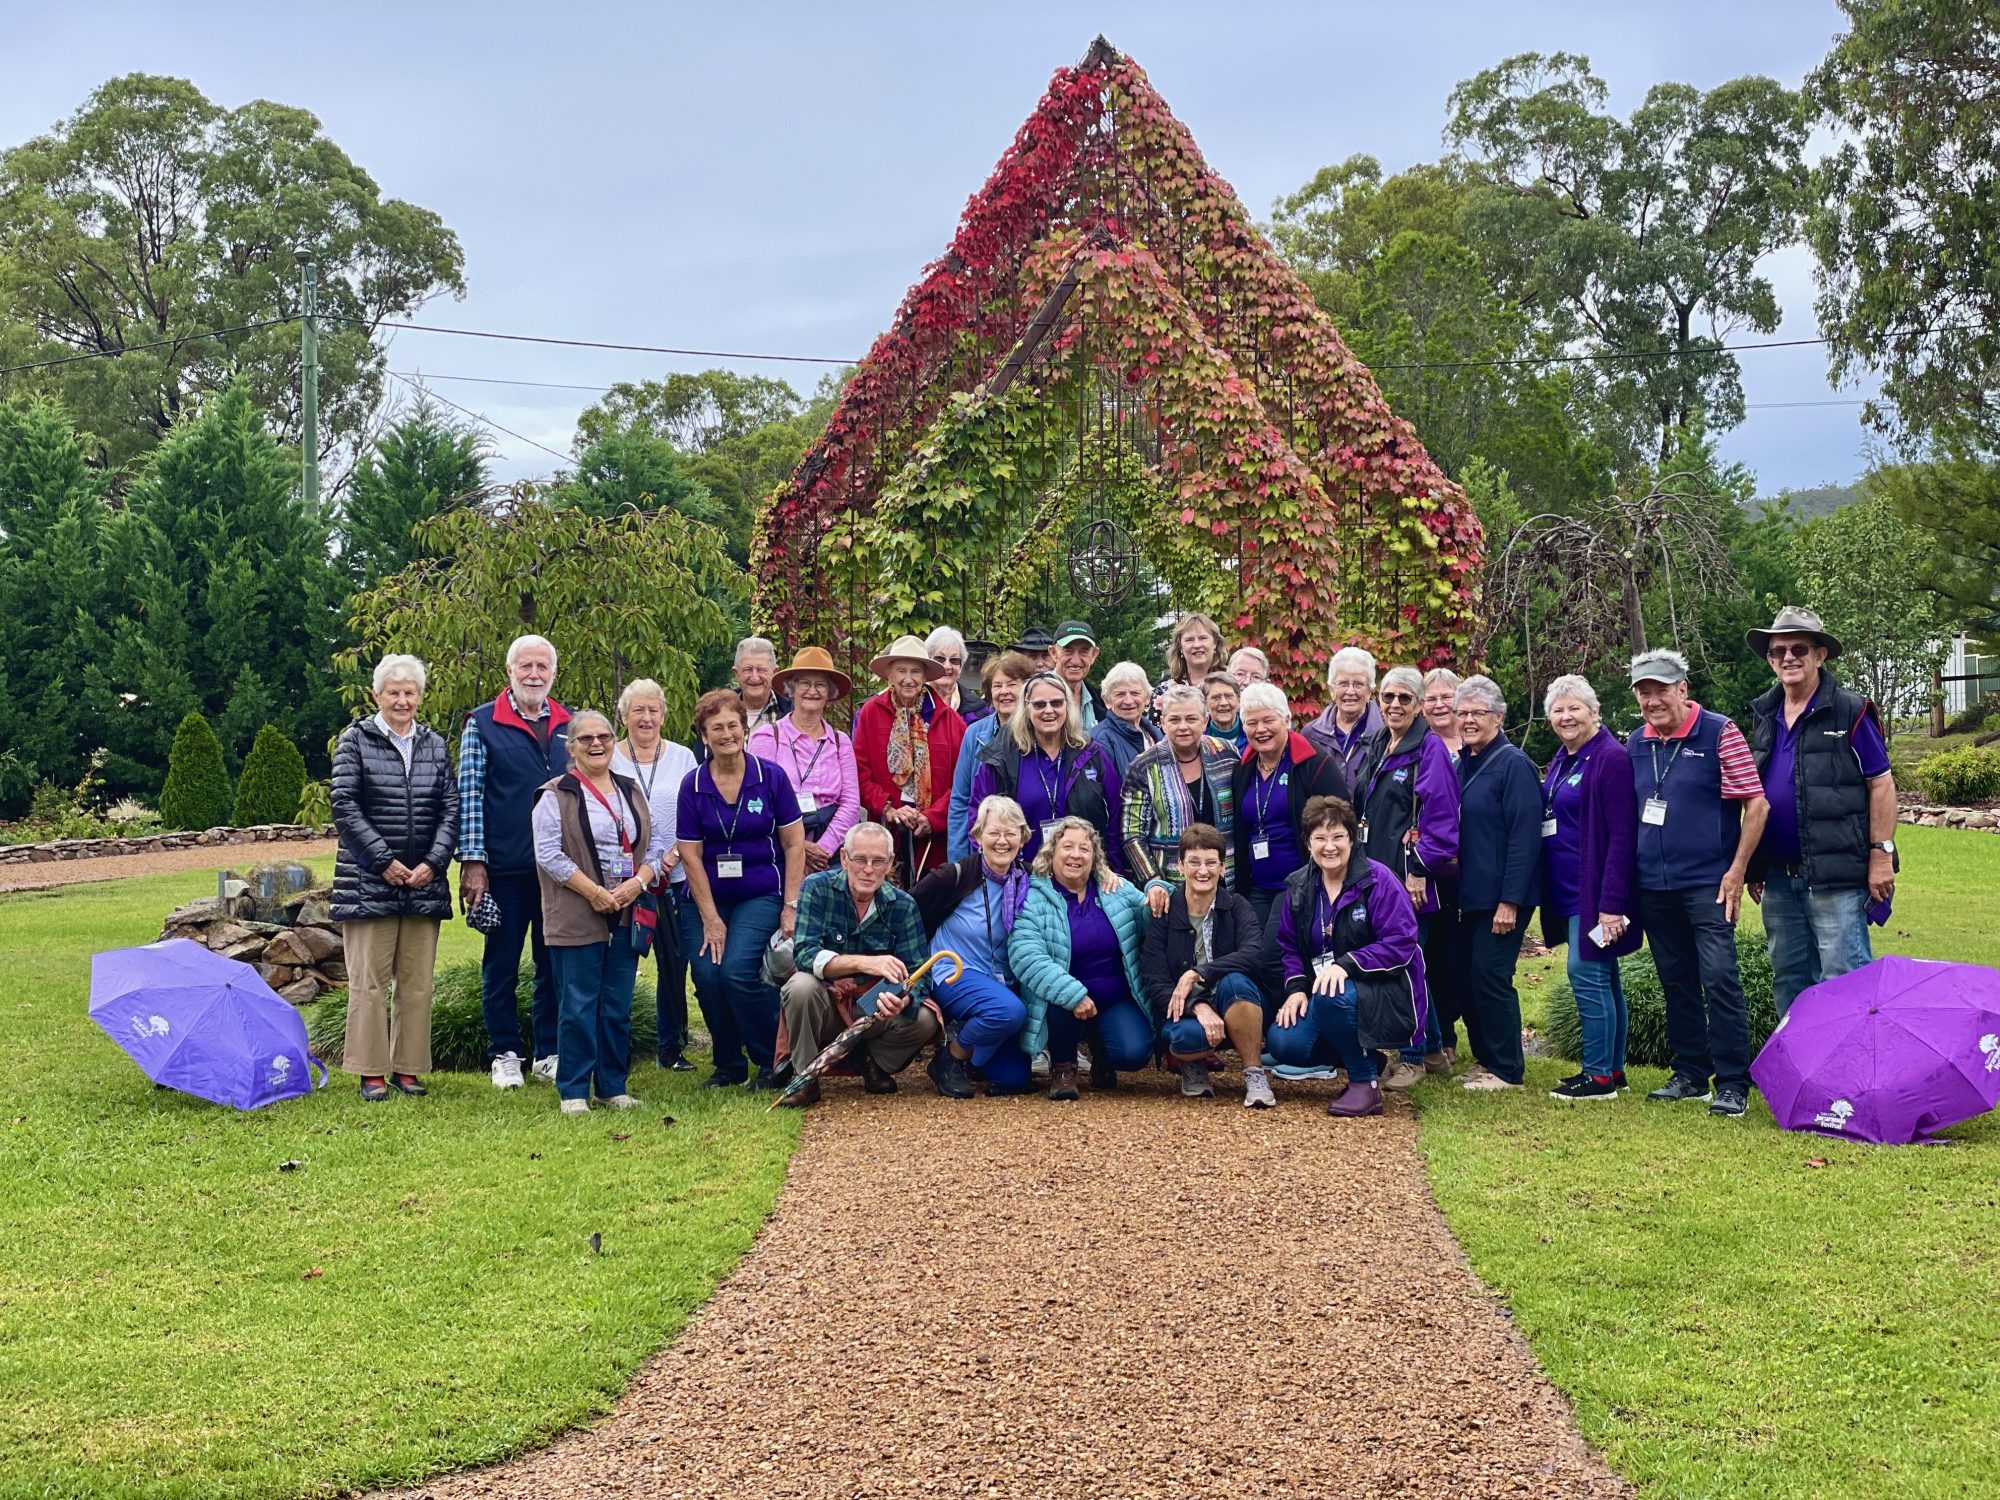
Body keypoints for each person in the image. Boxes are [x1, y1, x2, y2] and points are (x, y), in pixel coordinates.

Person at [1626, 648, 1769, 1118]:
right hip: (1654, 885)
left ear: (1683, 689)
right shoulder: (1635, 742)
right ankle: (1690, 1073)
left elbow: (1757, 804)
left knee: (1720, 978)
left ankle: (1732, 1082)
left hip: (1709, 883)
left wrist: (1737, 870)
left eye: (1660, 690)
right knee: (1675, 980)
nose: (1652, 701)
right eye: (1643, 693)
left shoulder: (1719, 732)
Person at [1743, 606, 1897, 1015]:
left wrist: (1881, 854)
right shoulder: (1765, 714)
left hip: (1837, 876)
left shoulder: (1850, 710)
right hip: (1779, 878)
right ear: (1770, 659)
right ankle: (1794, 1078)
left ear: (1820, 655)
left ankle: (1852, 1078)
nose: (1788, 657)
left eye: (1799, 648)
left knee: (1845, 981)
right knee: (1789, 981)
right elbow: (1758, 795)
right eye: (1779, 651)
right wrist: (1754, 865)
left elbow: (1880, 784)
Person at [331, 654, 459, 1102]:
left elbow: (450, 808)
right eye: (394, 692)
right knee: (368, 982)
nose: (402, 700)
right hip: (369, 882)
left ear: (419, 697)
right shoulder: (355, 741)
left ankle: (408, 1068)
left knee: (417, 981)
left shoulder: (434, 745)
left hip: (424, 881)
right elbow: (345, 806)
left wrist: (435, 861)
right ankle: (370, 1071)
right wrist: (383, 861)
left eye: (410, 692)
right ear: (376, 695)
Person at [532, 710, 667, 1114]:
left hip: (626, 909)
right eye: (586, 738)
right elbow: (547, 853)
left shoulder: (629, 789)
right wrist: (592, 892)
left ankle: (612, 1086)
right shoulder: (555, 793)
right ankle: (573, 1090)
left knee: (616, 1003)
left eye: (604, 737)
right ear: (571, 747)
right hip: (577, 911)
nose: (596, 744)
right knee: (577, 1003)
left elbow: (657, 840)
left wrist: (638, 882)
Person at [677, 688, 807, 1090]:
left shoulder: (771, 777)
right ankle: (728, 1064)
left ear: (745, 729)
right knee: (707, 974)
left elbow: (794, 843)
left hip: (760, 893)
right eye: (716, 728)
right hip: (706, 898)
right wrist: (711, 918)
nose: (727, 734)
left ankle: (772, 1060)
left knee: (737, 972)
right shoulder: (693, 784)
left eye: (733, 725)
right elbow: (689, 854)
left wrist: (791, 904)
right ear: (703, 736)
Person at [457, 633, 571, 1090]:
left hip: (559, 872)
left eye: (542, 667)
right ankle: (504, 1053)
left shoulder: (570, 724)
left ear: (553, 674)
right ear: (509, 672)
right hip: (504, 866)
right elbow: (470, 797)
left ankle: (547, 1052)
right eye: (525, 666)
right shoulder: (482, 724)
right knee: (501, 965)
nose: (534, 674)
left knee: (552, 964)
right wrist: (473, 860)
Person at [1269, 795, 1429, 1117]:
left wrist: (1346, 965)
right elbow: (1287, 945)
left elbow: (1402, 941)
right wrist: (1297, 988)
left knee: (1332, 993)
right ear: (1308, 843)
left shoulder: (1378, 879)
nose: (1330, 846)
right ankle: (1367, 1057)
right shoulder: (1300, 887)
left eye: (1338, 836)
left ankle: (1364, 1084)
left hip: (1387, 990)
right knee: (1283, 1042)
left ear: (1352, 838)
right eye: (1320, 838)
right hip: (1328, 993)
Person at [778, 822, 944, 1104]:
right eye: (860, 859)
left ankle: (872, 1062)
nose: (868, 869)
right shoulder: (816, 888)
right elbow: (804, 954)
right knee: (800, 986)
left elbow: (918, 973)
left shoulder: (903, 905)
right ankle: (805, 1076)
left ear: (890, 863)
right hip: (826, 1004)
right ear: (844, 858)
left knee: (926, 1019)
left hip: (873, 1008)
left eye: (878, 861)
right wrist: (868, 963)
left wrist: (903, 999)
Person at [1351, 664, 1460, 1089]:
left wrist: (1419, 871)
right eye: (1389, 697)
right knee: (1405, 959)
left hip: (1410, 879)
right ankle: (1433, 1050)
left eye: (1405, 699)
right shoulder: (1379, 741)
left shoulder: (1428, 749)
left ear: (1418, 706)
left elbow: (1442, 822)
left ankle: (1412, 1057)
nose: (1395, 705)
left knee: (1407, 964)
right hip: (1377, 875)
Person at [1537, 675, 1642, 1102]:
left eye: (1574, 707)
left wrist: (1611, 903)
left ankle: (1597, 1077)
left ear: (1594, 712)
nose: (1566, 716)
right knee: (1603, 975)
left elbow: (1622, 836)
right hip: (1566, 888)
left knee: (1586, 974)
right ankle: (1613, 1070)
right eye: (1559, 710)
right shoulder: (1564, 759)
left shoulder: (1610, 758)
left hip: (1596, 892)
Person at [1008, 817, 1153, 1100]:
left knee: (1134, 1054)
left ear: (1094, 856)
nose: (1076, 855)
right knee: (1062, 1005)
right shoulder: (1033, 896)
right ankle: (1063, 1065)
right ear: (1052, 852)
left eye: (1084, 849)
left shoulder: (1115, 889)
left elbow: (1150, 913)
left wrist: (1156, 890)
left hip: (1114, 998)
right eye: (1068, 847)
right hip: (1063, 999)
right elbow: (1025, 956)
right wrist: (1074, 994)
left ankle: (1103, 1053)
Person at [1446, 675, 1542, 1092]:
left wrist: (1511, 901)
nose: (1468, 720)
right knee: (1467, 978)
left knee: (1490, 976)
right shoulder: (1462, 762)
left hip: (1502, 897)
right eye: (1462, 713)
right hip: (1470, 895)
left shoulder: (1513, 764)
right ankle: (1486, 1058)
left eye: (1477, 713)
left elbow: (1525, 836)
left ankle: (1507, 1069)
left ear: (1499, 717)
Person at [912, 795, 1038, 1097]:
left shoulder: (1029, 879)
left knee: (1013, 1078)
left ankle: (972, 1047)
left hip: (1002, 980)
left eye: (1011, 833)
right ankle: (949, 1058)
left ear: (1023, 838)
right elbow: (905, 908)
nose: (1002, 841)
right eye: (994, 832)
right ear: (978, 836)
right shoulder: (955, 875)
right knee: (1008, 1012)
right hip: (954, 971)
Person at [1140, 824, 1273, 1106]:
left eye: (1211, 862)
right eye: (1195, 862)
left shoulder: (1236, 906)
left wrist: (1198, 973)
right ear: (1180, 865)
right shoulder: (1164, 911)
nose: (1203, 871)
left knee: (1236, 983)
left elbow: (1253, 954)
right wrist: (1196, 1005)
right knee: (1186, 1037)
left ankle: (1254, 1073)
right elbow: (1155, 979)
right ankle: (1193, 1064)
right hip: (1184, 1013)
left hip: (1230, 1001)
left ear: (1223, 867)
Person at [612, 678, 699, 1071]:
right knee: (620, 960)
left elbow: (697, 813)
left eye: (653, 710)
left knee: (674, 962)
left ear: (664, 715)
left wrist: (673, 857)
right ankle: (617, 1045)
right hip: (624, 879)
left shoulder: (682, 758)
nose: (646, 718)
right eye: (638, 710)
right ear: (623, 715)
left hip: (676, 875)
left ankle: (671, 1046)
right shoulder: (609, 756)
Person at [969, 670, 1122, 869]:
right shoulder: (1001, 758)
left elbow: (1115, 818)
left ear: (1068, 706)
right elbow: (978, 818)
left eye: (1057, 703)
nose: (1048, 711)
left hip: (1083, 877)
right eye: (1039, 704)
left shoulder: (1093, 754)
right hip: (1022, 878)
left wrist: (1112, 872)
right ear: (1026, 708)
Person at [1231, 682, 1349, 926]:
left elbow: (1343, 822)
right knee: (1252, 953)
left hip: (1302, 885)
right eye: (1252, 723)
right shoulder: (1243, 769)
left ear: (1286, 719)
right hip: (1257, 887)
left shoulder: (1314, 764)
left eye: (1268, 720)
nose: (1260, 729)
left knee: (1272, 954)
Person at [853, 634, 967, 882]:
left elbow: (962, 782)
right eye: (901, 671)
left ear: (925, 676)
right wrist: (889, 809)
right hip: (884, 831)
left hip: (932, 841)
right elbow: (860, 772)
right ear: (889, 676)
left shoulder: (949, 720)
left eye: (915, 671)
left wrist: (932, 818)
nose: (908, 679)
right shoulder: (870, 713)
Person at [1124, 683, 1238, 910]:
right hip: (1170, 887)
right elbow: (1132, 834)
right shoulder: (1144, 765)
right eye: (1174, 720)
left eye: (1191, 719)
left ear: (1205, 721)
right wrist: (1153, 881)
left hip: (1225, 880)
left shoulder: (1226, 754)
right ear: (1163, 722)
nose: (1183, 727)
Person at [750, 647, 862, 877]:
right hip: (780, 851)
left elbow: (851, 805)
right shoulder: (768, 737)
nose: (812, 691)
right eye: (804, 683)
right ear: (791, 689)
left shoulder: (841, 742)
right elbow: (760, 802)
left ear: (830, 692)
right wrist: (799, 847)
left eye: (820, 684)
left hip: (830, 856)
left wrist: (822, 849)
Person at [949, 650, 1034, 860]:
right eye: (997, 686)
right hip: (984, 847)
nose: (1004, 691)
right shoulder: (974, 734)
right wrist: (960, 861)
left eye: (1012, 684)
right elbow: (960, 799)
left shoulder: (1039, 733)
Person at [1302, 646, 1384, 785]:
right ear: (1332, 690)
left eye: (1358, 684)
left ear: (1370, 691)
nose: (1350, 691)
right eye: (1343, 684)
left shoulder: (1384, 736)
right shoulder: (1310, 734)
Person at [1090, 660, 1162, 780]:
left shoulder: (1154, 733)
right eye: (1120, 694)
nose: (1128, 701)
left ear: (1147, 698)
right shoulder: (1100, 740)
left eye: (1135, 693)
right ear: (1107, 700)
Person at [730, 636, 791, 738]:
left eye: (761, 670)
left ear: (774, 672)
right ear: (737, 674)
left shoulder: (792, 713)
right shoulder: (717, 711)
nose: (755, 677)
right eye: (748, 669)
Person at [1055, 620, 1107, 730]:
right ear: (1053, 653)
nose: (1075, 660)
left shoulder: (1100, 700)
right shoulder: (1034, 695)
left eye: (1084, 651)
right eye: (1068, 651)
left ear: (1094, 655)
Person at [927, 625, 985, 722]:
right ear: (928, 661)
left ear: (961, 666)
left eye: (954, 660)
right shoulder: (913, 703)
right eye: (940, 659)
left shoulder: (978, 710)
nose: (947, 666)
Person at [1421, 668, 1464, 758]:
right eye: (1431, 699)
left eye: (1446, 697)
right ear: (1422, 707)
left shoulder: (1477, 739)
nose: (1439, 705)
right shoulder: (1419, 749)